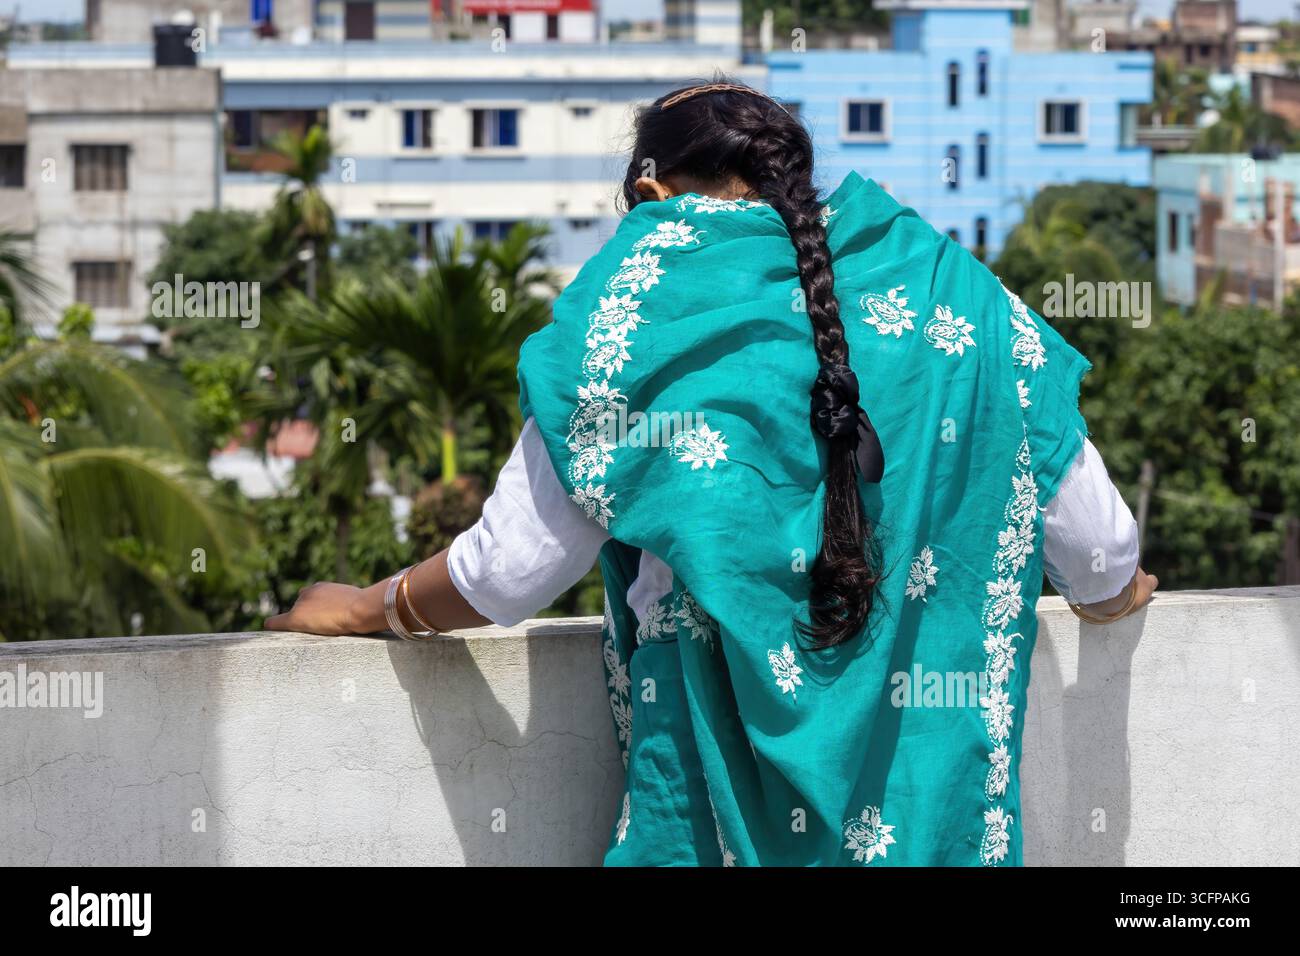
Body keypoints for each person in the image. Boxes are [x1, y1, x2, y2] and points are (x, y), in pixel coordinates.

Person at [267, 80, 1158, 866]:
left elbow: (510, 571)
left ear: (650, 193)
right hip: (934, 821)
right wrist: (1114, 597)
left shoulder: (640, 308)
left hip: (702, 817)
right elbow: (1100, 548)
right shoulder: (957, 294)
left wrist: (360, 607)